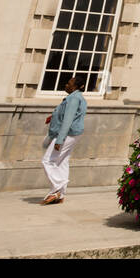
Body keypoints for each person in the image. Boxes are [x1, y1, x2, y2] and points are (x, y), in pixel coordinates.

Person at [42, 76, 87, 204]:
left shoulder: (74, 98)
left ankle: (57, 189)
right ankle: (60, 194)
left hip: (67, 134)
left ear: (75, 86)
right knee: (62, 161)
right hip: (73, 134)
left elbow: (68, 119)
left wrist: (59, 140)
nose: (66, 85)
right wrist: (54, 117)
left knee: (47, 160)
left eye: (69, 83)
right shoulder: (77, 97)